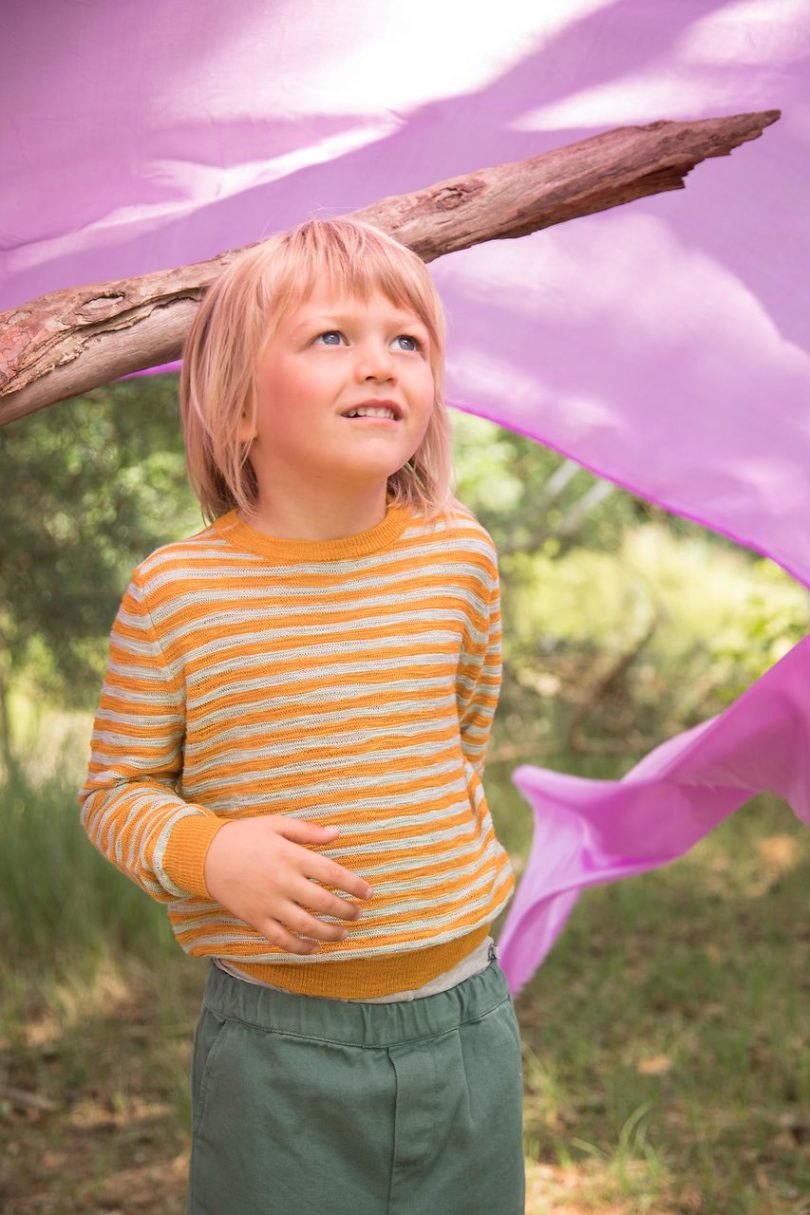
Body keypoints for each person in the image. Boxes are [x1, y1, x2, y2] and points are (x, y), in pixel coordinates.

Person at [78, 216, 525, 1215]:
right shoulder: (177, 594)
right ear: (238, 405)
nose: (378, 363)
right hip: (278, 1049)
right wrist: (212, 855)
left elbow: (462, 735)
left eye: (406, 341)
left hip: (466, 1021)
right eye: (332, 337)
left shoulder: (459, 558)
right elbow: (116, 791)